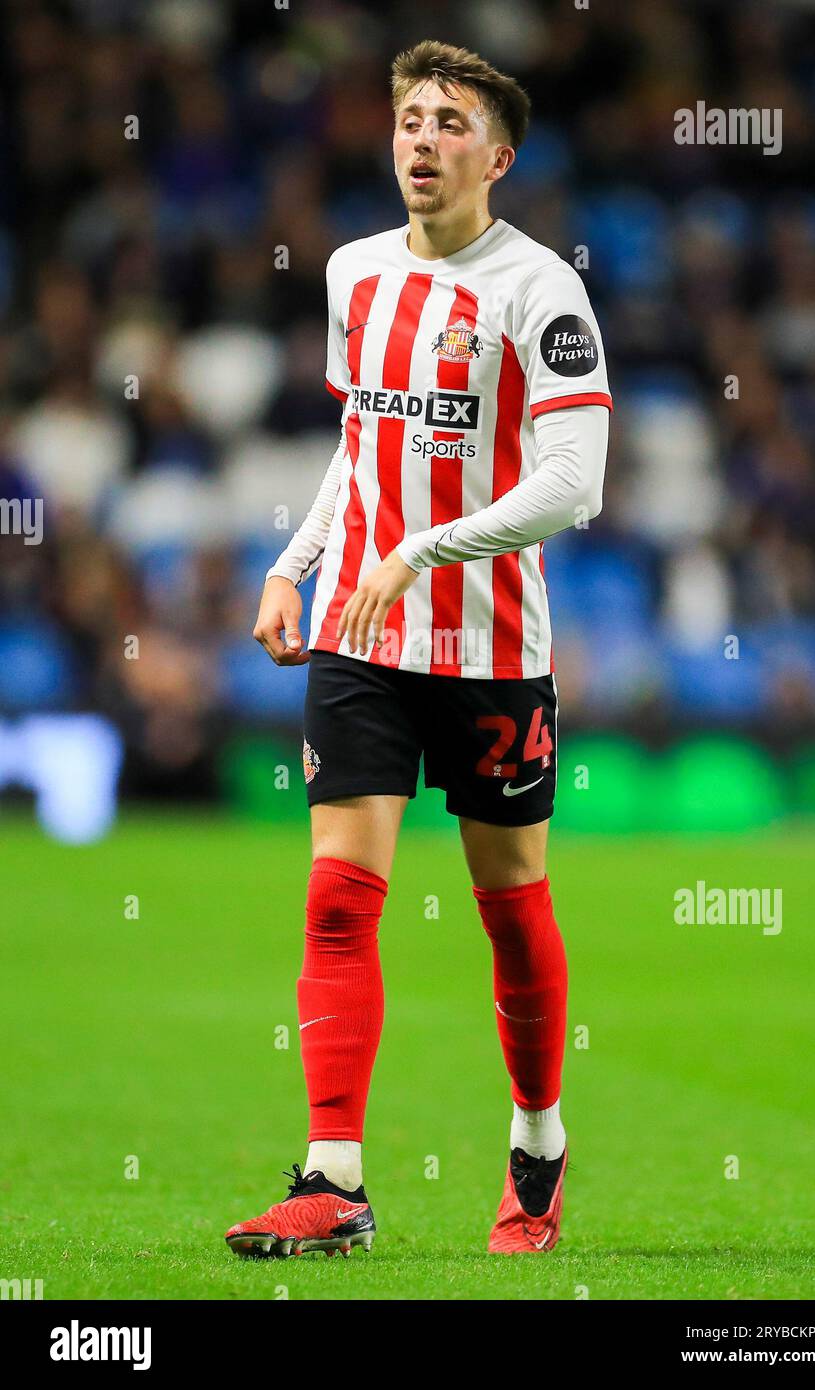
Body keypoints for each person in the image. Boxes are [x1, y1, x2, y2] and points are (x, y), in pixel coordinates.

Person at [226, 37, 611, 1260]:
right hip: (363, 631)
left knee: (508, 905)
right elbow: (365, 443)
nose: (421, 139)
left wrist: (425, 550)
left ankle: (537, 1140)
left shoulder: (538, 289)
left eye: (450, 123)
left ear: (495, 156)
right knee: (339, 900)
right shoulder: (351, 273)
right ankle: (332, 1178)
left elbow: (574, 482)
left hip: (494, 647)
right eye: (408, 118)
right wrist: (298, 563)